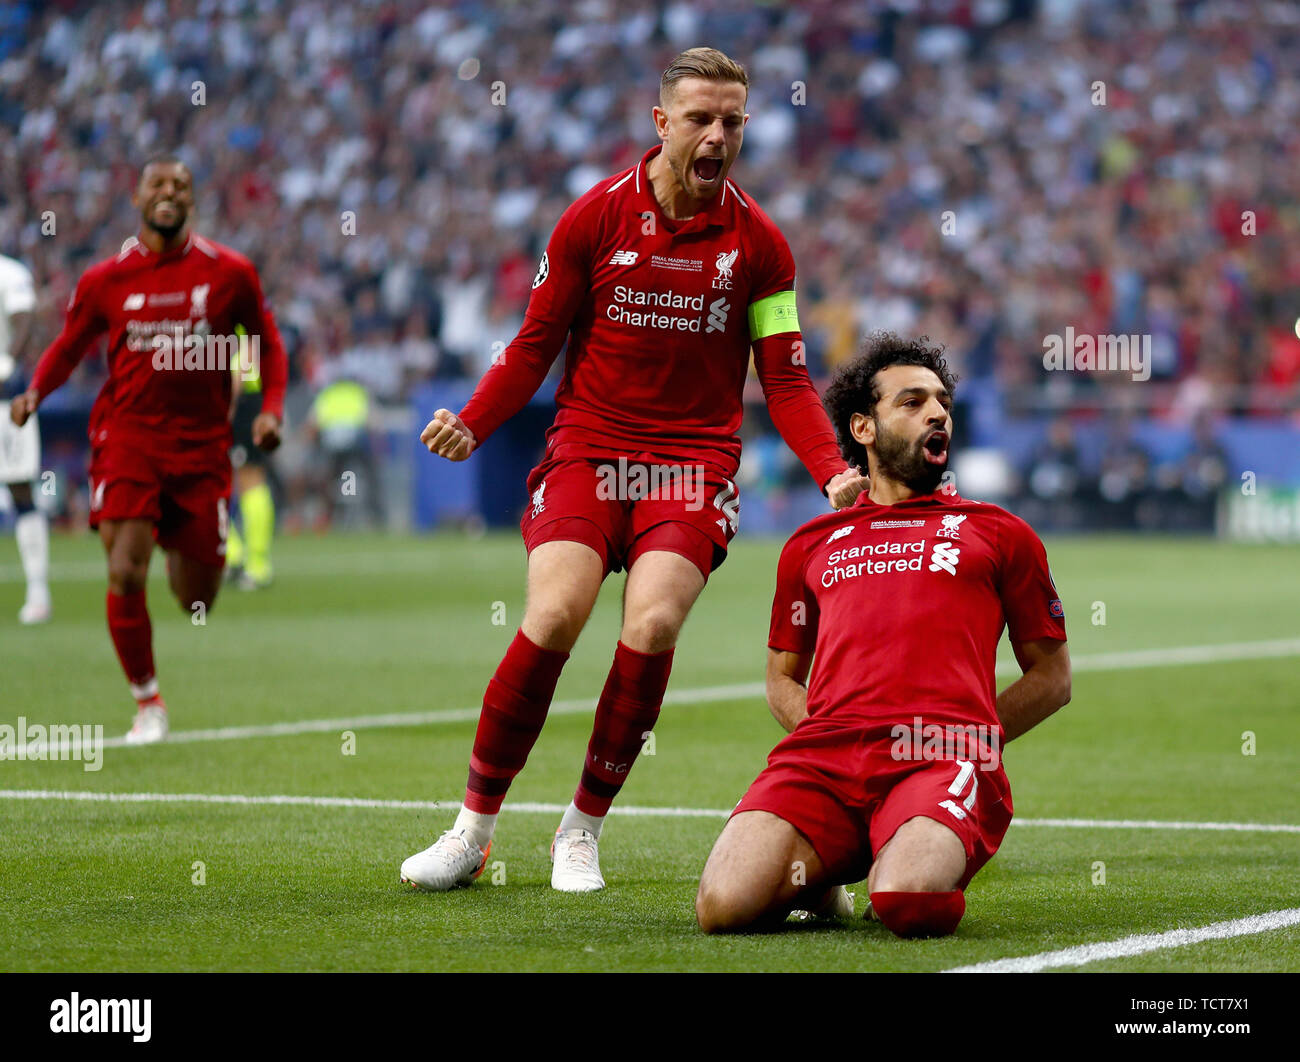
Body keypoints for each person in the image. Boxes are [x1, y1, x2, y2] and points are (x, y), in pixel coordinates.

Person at [402, 47, 868, 894]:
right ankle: (472, 831)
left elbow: (788, 378)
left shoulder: (761, 246)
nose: (718, 135)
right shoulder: (592, 219)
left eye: (733, 120)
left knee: (651, 625)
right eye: (701, 118)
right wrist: (473, 422)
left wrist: (833, 470)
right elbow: (535, 343)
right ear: (662, 124)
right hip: (588, 447)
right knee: (554, 613)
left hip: (691, 463)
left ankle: (580, 830)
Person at [695, 333, 1071, 937]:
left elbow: (1053, 678)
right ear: (864, 429)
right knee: (723, 908)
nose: (937, 413)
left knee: (908, 902)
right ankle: (825, 873)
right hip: (823, 760)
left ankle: (886, 850)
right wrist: (825, 733)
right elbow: (781, 677)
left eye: (943, 403)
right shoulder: (809, 544)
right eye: (913, 402)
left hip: (938, 755)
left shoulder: (999, 533)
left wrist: (973, 740)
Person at [9, 157, 287, 743]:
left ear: (193, 200)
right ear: (136, 197)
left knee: (196, 597)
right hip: (128, 438)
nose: (169, 193)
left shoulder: (230, 273)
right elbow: (69, 344)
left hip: (203, 450)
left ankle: (173, 535)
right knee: (123, 569)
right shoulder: (105, 279)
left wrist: (270, 409)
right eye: (158, 185)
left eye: (181, 186)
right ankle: (148, 702)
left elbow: (267, 344)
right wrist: (35, 391)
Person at [0, 251, 49, 624]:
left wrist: (8, 363)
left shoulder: (10, 272)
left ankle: (37, 590)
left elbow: (25, 320)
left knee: (19, 487)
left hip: (5, 399)